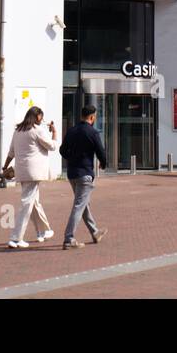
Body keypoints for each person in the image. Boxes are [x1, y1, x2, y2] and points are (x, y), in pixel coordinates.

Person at [2, 106, 56, 248]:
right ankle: (16, 238)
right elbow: (52, 146)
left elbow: (11, 152)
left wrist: (4, 166)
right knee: (27, 203)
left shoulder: (18, 131)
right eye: (41, 117)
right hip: (34, 172)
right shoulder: (37, 130)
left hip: (21, 171)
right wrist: (54, 132)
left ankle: (43, 231)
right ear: (36, 116)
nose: (42, 120)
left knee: (34, 202)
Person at [58, 105, 108, 249]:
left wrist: (71, 158)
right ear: (92, 117)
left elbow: (62, 150)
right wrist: (103, 164)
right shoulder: (92, 132)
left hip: (72, 173)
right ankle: (69, 238)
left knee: (83, 203)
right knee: (79, 205)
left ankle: (95, 232)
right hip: (84, 173)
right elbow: (101, 151)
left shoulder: (72, 130)